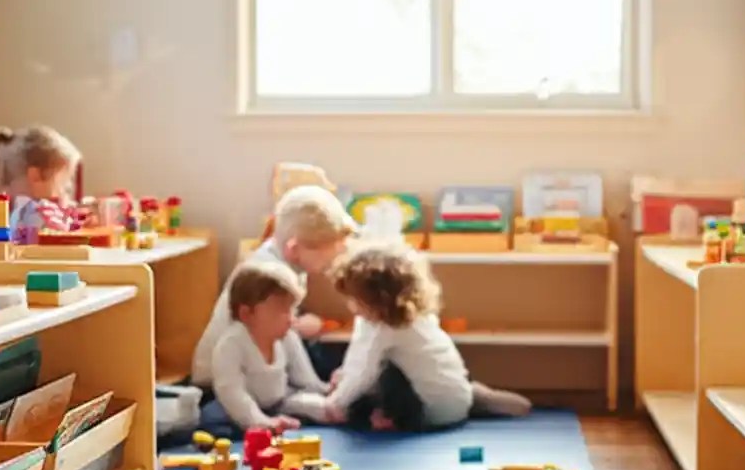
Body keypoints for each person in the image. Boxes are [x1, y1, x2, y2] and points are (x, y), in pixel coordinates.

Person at [323, 240, 532, 431]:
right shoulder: (418, 317)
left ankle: (390, 416)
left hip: (428, 414)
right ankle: (471, 396)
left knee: (379, 380)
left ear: (377, 301)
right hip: (454, 397)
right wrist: (345, 374)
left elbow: (362, 372)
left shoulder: (383, 330)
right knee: (421, 367)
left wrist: (336, 403)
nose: (350, 305)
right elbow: (358, 363)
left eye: (355, 300)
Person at [190, 184, 354, 392]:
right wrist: (314, 384)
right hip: (222, 380)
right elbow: (276, 332)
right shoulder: (267, 273)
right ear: (294, 249)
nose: (332, 260)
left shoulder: (285, 260)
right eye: (326, 256)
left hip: (253, 358)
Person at [199, 260, 330, 433]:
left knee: (320, 407)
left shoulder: (287, 337)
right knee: (211, 417)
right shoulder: (231, 345)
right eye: (281, 311)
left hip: (280, 401)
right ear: (247, 314)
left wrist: (327, 390)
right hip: (238, 407)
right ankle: (261, 427)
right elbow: (232, 392)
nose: (290, 319)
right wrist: (259, 421)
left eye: (292, 310)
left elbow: (305, 380)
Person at [0, 125, 81, 242]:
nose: (65, 190)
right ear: (35, 176)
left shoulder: (10, 210)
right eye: (63, 182)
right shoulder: (34, 215)